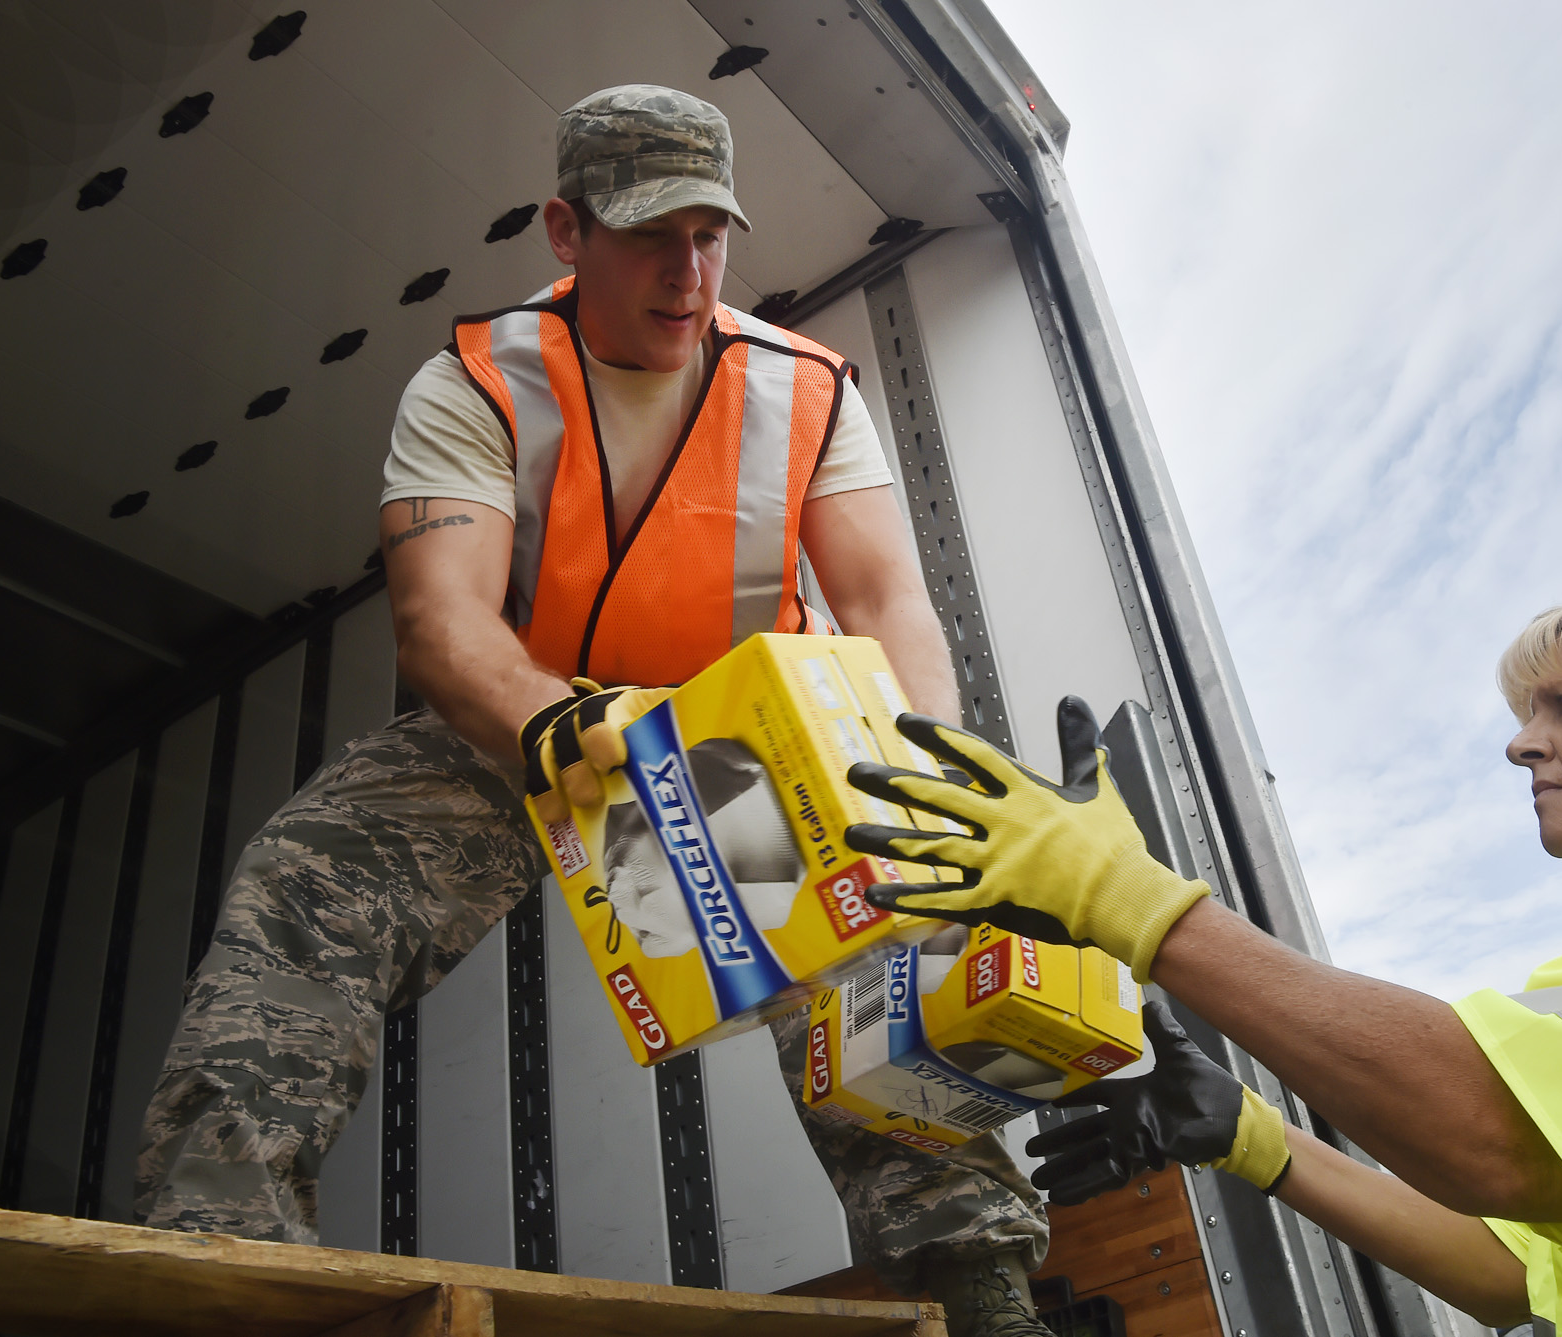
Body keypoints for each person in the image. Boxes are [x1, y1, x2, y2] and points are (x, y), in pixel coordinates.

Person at [136, 85, 1056, 1337]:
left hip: (745, 747)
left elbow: (892, 601)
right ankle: (219, 1246)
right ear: (568, 231)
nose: (686, 272)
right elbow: (442, 620)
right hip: (541, 724)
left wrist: (925, 775)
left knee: (882, 943)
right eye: (648, 234)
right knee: (310, 876)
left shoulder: (805, 389)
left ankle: (981, 1275)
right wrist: (553, 722)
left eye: (709, 234)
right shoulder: (474, 381)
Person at [843, 563, 1562, 1334]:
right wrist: (1257, 1139)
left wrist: (1127, 896)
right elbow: (1522, 1276)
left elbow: (1489, 1135)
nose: (1520, 743)